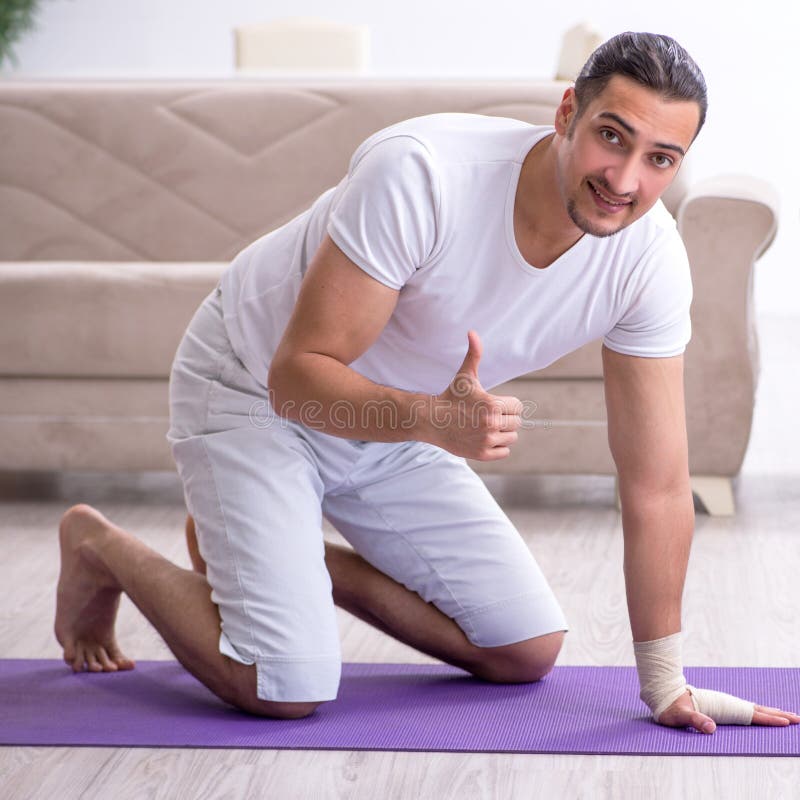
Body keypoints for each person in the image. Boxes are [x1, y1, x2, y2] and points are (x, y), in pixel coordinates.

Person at [56, 31, 798, 732]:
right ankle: (101, 547)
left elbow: (659, 485)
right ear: (568, 111)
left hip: (397, 425)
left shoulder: (649, 262)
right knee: (283, 686)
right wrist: (432, 422)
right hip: (255, 391)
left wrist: (664, 680)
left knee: (524, 648)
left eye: (661, 158)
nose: (626, 180)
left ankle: (273, 558)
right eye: (612, 135)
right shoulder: (423, 173)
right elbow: (295, 380)